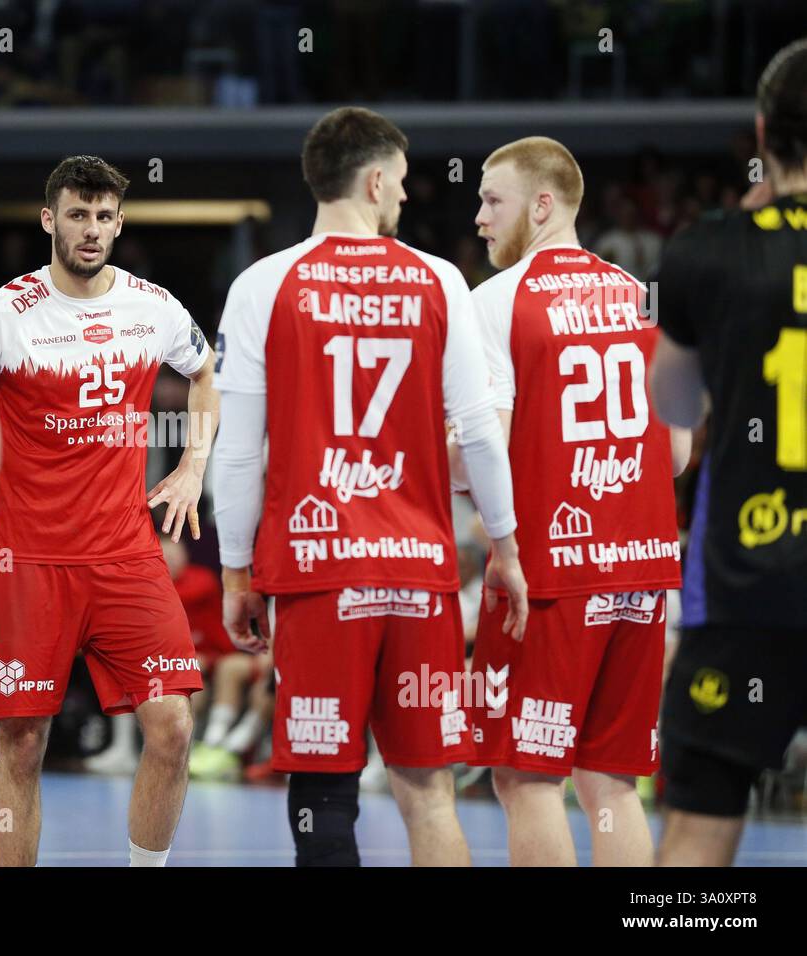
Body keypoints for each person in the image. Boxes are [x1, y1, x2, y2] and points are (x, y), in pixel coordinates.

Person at [212, 106, 528, 867]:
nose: (408, 200)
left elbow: (238, 453)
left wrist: (233, 570)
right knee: (427, 790)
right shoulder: (440, 279)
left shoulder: (262, 284)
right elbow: (481, 433)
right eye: (404, 184)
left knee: (324, 789)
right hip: (418, 572)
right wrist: (507, 549)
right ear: (377, 179)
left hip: (319, 571)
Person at [0, 154, 218, 867]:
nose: (92, 230)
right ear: (48, 219)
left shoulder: (153, 307)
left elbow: (206, 370)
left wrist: (193, 465)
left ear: (120, 223)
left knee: (174, 725)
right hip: (28, 558)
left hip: (125, 553)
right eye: (78, 215)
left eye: (104, 217)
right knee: (22, 743)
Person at [465, 136, 690, 866]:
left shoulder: (497, 300)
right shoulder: (637, 294)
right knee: (610, 783)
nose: (478, 217)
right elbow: (679, 452)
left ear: (542, 203)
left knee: (527, 778)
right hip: (644, 565)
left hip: (551, 576)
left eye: (492, 200)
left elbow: (487, 449)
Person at [649, 38, 807, 866]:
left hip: (751, 586)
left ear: (761, 133)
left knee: (699, 834)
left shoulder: (710, 249)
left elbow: (672, 406)